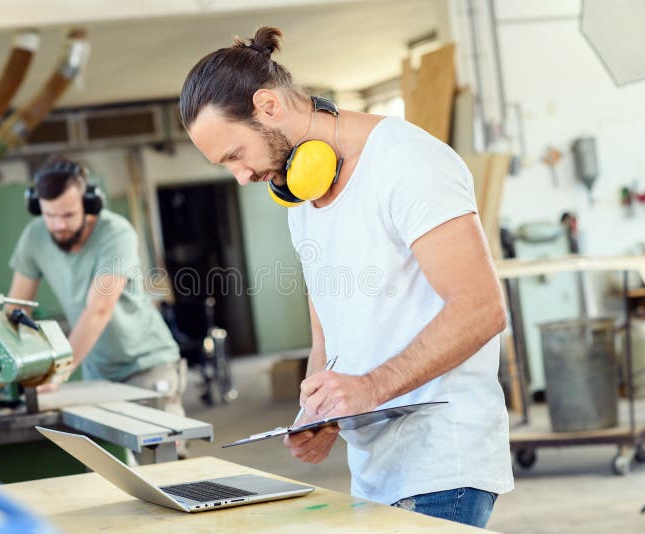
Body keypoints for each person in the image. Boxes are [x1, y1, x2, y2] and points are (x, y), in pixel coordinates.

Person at [179, 27, 513, 527]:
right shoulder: (301, 198)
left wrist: (370, 388)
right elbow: (327, 320)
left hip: (445, 463)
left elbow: (482, 308)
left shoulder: (407, 161)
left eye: (234, 154)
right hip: (375, 471)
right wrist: (323, 406)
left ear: (267, 106)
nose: (241, 177)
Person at [7, 156, 186, 419]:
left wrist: (57, 372)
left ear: (89, 204)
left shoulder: (116, 234)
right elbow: (17, 309)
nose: (58, 225)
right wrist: (12, 366)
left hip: (147, 365)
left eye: (68, 215)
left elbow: (99, 309)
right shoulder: (35, 237)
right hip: (98, 372)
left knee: (155, 450)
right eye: (49, 215)